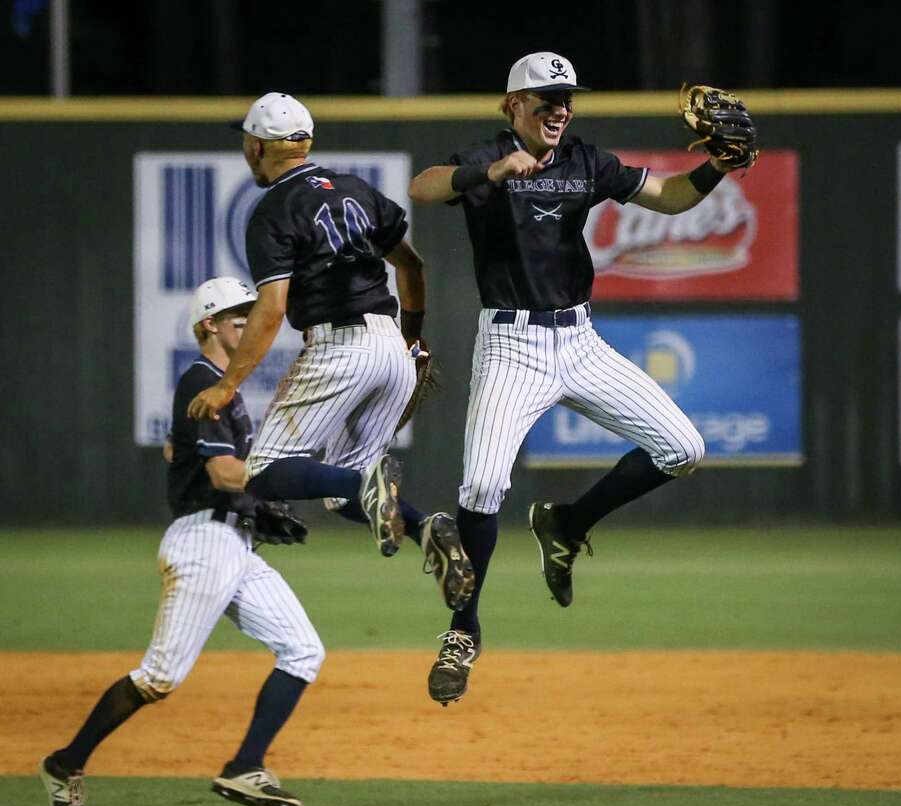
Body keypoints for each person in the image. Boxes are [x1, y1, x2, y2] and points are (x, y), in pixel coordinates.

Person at [409, 52, 741, 705]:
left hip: (580, 339)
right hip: (511, 344)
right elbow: (424, 185)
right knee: (480, 484)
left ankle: (566, 523)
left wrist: (718, 168)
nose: (559, 109)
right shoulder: (487, 156)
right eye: (545, 98)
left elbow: (670, 198)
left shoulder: (587, 161)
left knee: (684, 449)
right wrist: (491, 171)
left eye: (567, 99)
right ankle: (463, 631)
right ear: (513, 105)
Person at [40, 278, 324, 806]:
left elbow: (207, 464)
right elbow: (223, 475)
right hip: (204, 542)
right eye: (236, 316)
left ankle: (245, 766)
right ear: (208, 326)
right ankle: (64, 763)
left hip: (234, 543)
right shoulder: (202, 381)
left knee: (303, 650)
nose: (247, 323)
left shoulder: (226, 388)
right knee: (159, 677)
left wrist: (258, 509)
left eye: (250, 313)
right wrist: (299, 480)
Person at [187, 92, 473, 612]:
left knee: (267, 469)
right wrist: (410, 338)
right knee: (343, 495)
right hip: (391, 345)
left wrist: (227, 385)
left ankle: (370, 481)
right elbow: (411, 266)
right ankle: (426, 528)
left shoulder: (271, 210)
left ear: (257, 146)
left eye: (247, 140)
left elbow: (270, 310)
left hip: (339, 346)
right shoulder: (356, 189)